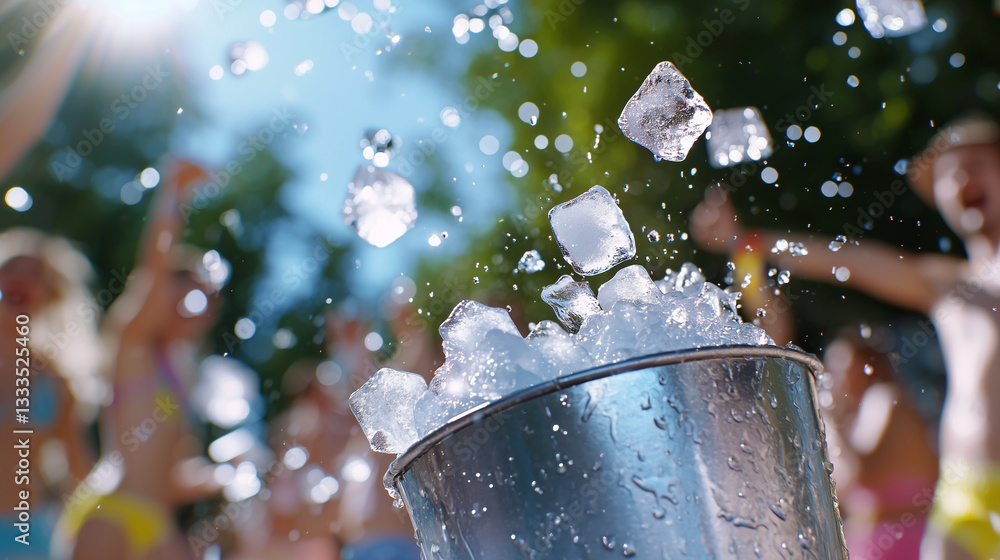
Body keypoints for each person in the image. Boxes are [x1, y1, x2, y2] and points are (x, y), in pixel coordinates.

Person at [691, 114, 1000, 560]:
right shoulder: (948, 285)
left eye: (976, 164)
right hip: (964, 489)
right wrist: (744, 243)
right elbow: (846, 260)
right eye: (949, 174)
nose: (962, 179)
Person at [55, 161, 227, 560]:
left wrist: (217, 478)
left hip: (158, 525)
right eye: (185, 292)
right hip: (112, 513)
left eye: (204, 297)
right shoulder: (134, 344)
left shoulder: (183, 375)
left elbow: (165, 475)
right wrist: (175, 191)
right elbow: (154, 268)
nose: (197, 304)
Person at [0, 229, 101, 559]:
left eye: (34, 274)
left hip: (28, 539)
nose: (20, 279)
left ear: (51, 294)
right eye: (10, 269)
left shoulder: (56, 383)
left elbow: (79, 473)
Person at [820, 328, 939, 559]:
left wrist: (830, 419)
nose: (834, 377)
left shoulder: (884, 398)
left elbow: (862, 474)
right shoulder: (858, 416)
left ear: (868, 365)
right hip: (875, 541)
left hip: (903, 541)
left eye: (841, 365)